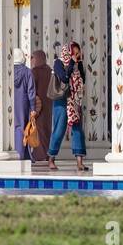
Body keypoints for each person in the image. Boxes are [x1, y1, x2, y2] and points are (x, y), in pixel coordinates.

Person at [47, 41, 87, 172]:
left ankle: (79, 161)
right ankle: (51, 158)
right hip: (62, 100)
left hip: (74, 100)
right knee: (59, 129)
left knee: (77, 130)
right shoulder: (58, 63)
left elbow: (83, 79)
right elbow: (64, 78)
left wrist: (78, 64)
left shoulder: (77, 64)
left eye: (77, 52)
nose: (76, 54)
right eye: (74, 52)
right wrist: (71, 64)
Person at [12, 47, 37, 161]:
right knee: (23, 127)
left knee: (13, 127)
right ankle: (21, 154)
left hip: (11, 103)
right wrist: (33, 108)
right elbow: (31, 91)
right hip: (23, 103)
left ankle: (17, 154)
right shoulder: (27, 72)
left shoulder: (8, 71)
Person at [29, 49, 54, 162]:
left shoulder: (35, 72)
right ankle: (48, 153)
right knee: (47, 128)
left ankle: (40, 154)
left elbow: (31, 89)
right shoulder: (49, 70)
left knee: (39, 129)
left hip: (38, 105)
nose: (31, 60)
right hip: (49, 103)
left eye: (32, 57)